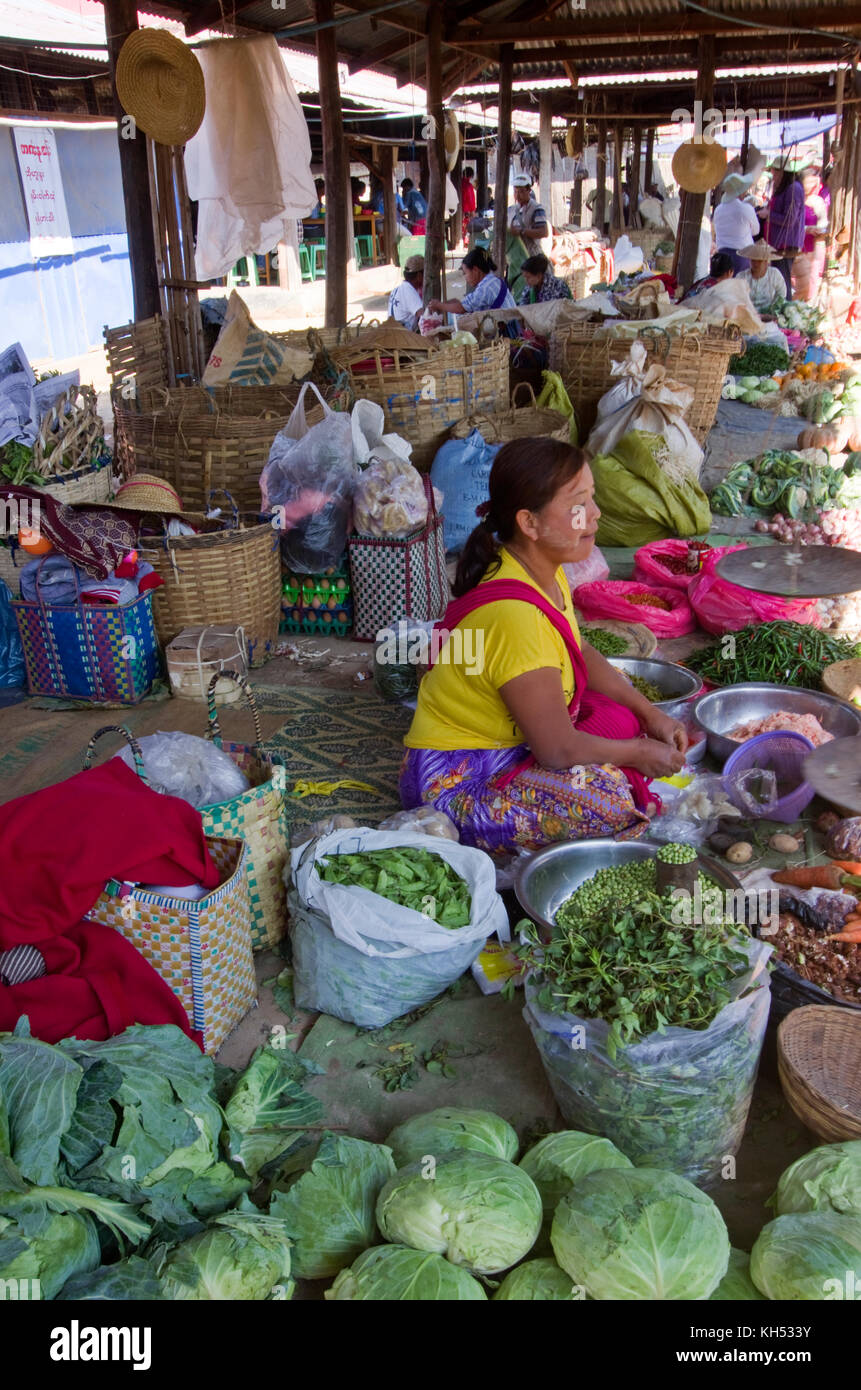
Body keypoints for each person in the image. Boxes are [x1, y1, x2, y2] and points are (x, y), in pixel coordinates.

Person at [399, 438, 686, 852]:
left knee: (623, 716)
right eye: (578, 505)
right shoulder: (518, 619)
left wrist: (649, 714)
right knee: (608, 803)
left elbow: (578, 648)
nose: (594, 514)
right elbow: (556, 750)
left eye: (591, 499)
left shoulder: (541, 572)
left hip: (512, 742)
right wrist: (638, 752)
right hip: (456, 780)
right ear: (529, 524)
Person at [426, 246, 516, 318]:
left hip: (506, 331)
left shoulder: (484, 289)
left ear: (475, 270)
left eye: (465, 273)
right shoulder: (493, 280)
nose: (465, 277)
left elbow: (461, 308)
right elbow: (465, 304)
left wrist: (439, 305)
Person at [764, 157, 806, 299]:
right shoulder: (786, 188)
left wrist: (768, 215)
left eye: (775, 172)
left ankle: (784, 312)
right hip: (778, 244)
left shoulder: (794, 189)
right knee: (779, 281)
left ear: (783, 172)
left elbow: (789, 219)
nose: (773, 175)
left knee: (782, 283)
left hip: (786, 244)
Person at [793, 163, 828, 302]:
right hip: (795, 246)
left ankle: (805, 307)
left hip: (812, 247)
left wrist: (819, 230)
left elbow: (824, 223)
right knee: (796, 282)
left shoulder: (817, 202)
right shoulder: (795, 200)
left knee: (811, 281)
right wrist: (806, 229)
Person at [712, 174, 760, 272]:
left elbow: (716, 230)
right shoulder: (746, 209)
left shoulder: (718, 210)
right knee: (740, 285)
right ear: (740, 193)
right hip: (742, 256)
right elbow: (756, 231)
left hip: (722, 255)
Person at [736, 242, 786, 316]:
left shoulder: (774, 274)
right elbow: (736, 297)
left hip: (769, 315)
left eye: (759, 261)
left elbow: (781, 295)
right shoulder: (742, 276)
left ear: (766, 262)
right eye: (753, 260)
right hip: (747, 315)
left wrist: (774, 309)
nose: (755, 264)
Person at [507, 173, 550, 257]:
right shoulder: (510, 210)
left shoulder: (537, 209)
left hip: (531, 256)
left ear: (529, 190)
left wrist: (521, 231)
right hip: (515, 257)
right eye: (516, 192)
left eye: (521, 192)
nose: (518, 195)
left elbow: (544, 232)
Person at [388, 255, 424, 330]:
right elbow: (424, 316)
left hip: (392, 332)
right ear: (419, 276)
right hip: (401, 336)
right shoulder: (408, 290)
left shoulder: (399, 289)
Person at [461, 164, 477, 244]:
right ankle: (466, 242)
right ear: (471, 176)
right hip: (467, 210)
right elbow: (471, 200)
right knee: (467, 228)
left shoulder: (459, 183)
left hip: (460, 210)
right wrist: (472, 210)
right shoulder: (468, 186)